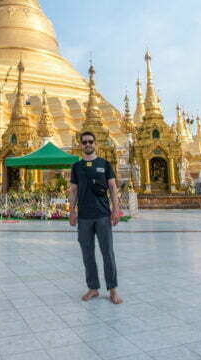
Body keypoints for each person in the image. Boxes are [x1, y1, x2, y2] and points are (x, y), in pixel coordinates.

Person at [68, 131, 123, 305]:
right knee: (87, 253)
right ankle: (93, 287)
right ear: (81, 145)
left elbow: (113, 188)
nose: (87, 144)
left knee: (107, 252)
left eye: (90, 141)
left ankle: (113, 289)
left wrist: (116, 209)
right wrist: (71, 211)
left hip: (102, 215)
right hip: (84, 217)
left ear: (95, 143)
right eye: (84, 142)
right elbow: (73, 190)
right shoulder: (76, 167)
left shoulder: (105, 164)